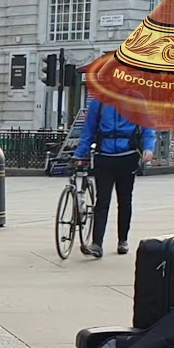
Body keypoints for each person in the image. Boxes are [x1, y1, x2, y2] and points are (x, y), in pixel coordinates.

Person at [72, 97, 156, 258]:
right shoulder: (99, 101)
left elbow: (147, 127)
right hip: (104, 156)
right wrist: (78, 154)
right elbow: (88, 131)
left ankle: (122, 240)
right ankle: (97, 244)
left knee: (124, 200)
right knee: (102, 201)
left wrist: (148, 148)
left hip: (128, 156)